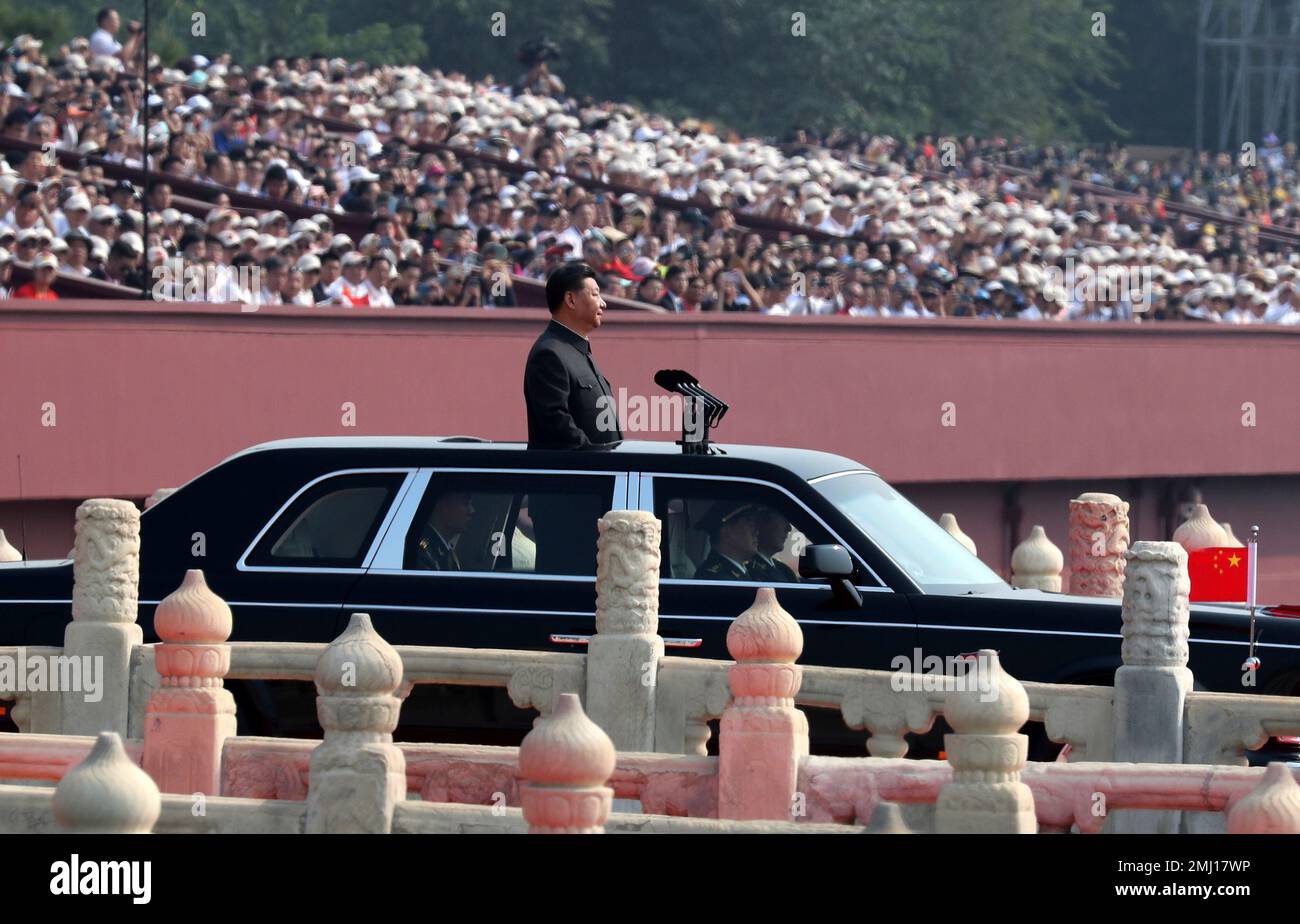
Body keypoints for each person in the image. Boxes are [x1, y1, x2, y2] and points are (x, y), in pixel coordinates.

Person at [523, 262, 622, 450]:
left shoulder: (577, 350)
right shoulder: (549, 354)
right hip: (577, 475)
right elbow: (557, 426)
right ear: (570, 300)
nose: (603, 303)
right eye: (595, 294)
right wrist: (601, 459)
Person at [412, 490, 475, 571]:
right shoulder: (422, 554)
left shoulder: (447, 554)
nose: (472, 511)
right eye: (465, 503)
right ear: (440, 504)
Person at [696, 502, 760, 581]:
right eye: (751, 524)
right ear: (727, 531)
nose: (757, 532)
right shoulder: (714, 578)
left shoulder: (745, 572)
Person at [747, 507, 799, 583]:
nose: (789, 529)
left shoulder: (784, 570)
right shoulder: (750, 570)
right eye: (784, 520)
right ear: (762, 522)